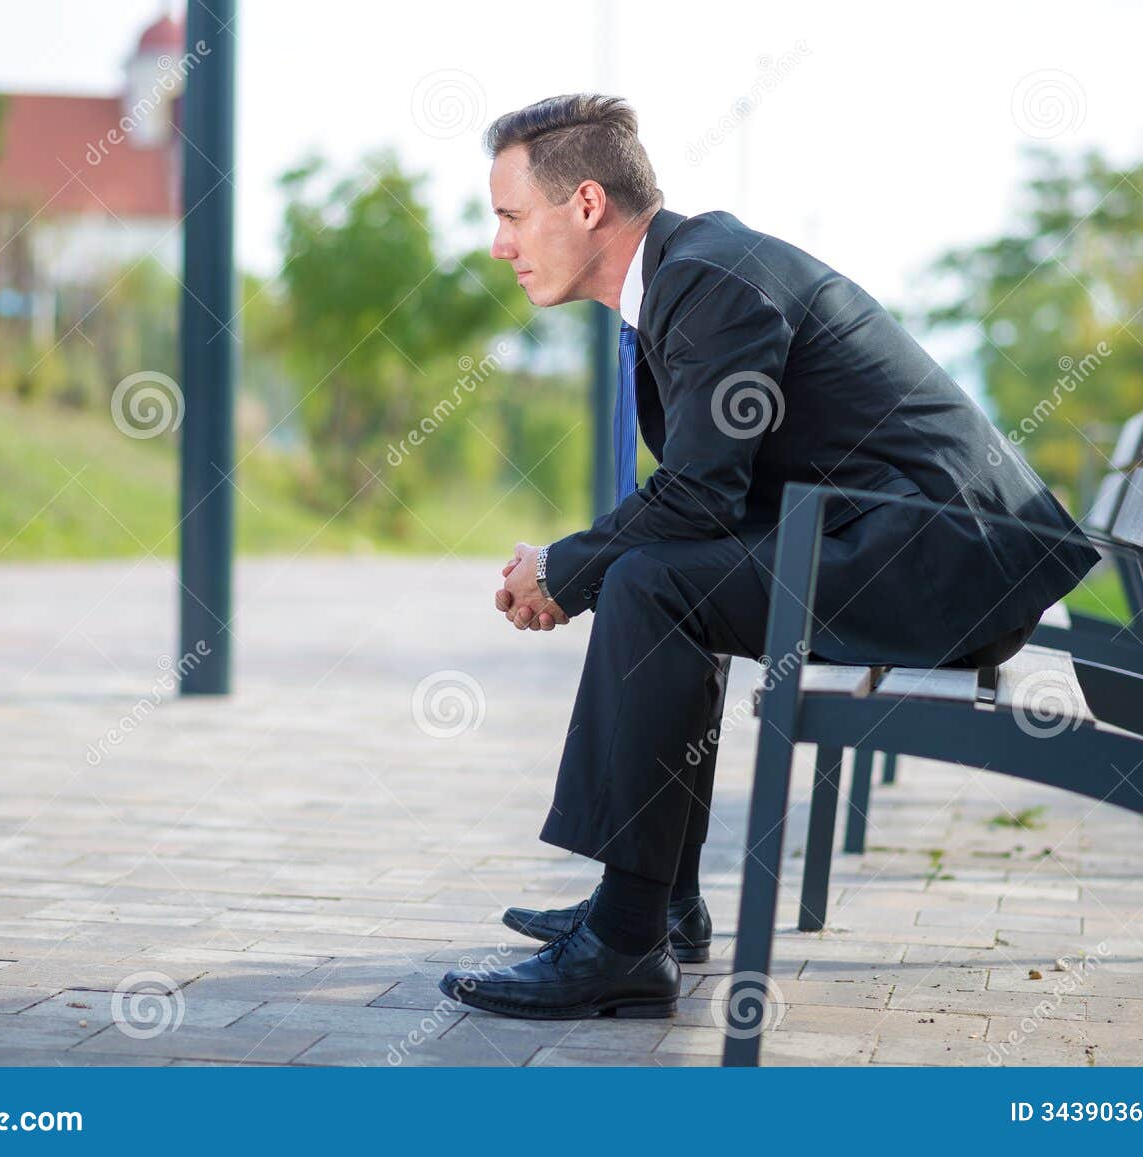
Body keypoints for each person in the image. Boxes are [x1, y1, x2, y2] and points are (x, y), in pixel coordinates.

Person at [439, 94, 1101, 1020]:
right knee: (661, 577)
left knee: (650, 582)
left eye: (511, 216)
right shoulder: (697, 271)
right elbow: (714, 495)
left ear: (586, 204)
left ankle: (628, 936)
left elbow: (703, 491)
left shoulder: (711, 283)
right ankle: (658, 901)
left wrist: (562, 567)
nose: (500, 244)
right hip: (914, 542)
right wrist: (567, 562)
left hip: (944, 566)